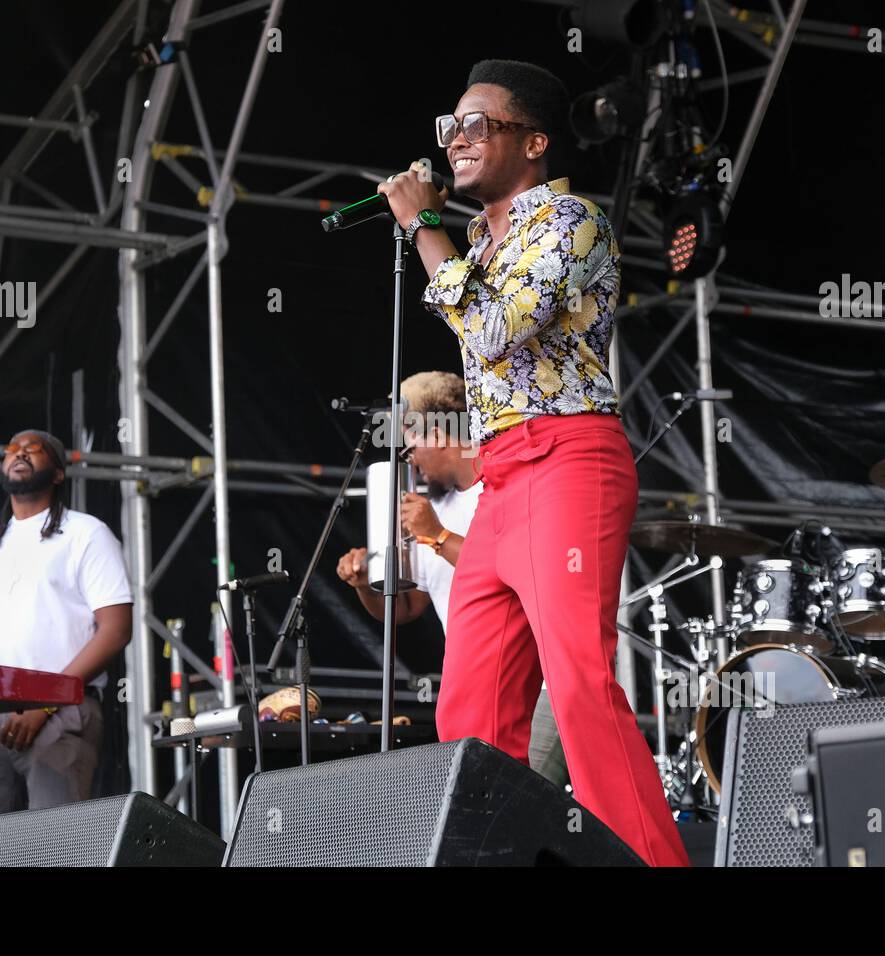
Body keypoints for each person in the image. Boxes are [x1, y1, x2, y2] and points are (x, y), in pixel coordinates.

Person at [376, 59, 688, 866]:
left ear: (535, 141)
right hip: (500, 479)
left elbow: (491, 330)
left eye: (479, 124)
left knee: (579, 687)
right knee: (469, 714)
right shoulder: (477, 237)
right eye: (451, 127)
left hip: (569, 460)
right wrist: (439, 230)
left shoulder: (572, 221)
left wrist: (421, 227)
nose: (458, 139)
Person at [336, 371, 568, 786]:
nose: (411, 462)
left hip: (541, 691)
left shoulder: (501, 489)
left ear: (441, 433)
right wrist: (363, 584)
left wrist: (437, 536)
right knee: (482, 807)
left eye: (410, 447)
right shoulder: (433, 508)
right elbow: (404, 609)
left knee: (516, 807)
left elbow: (516, 573)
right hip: (482, 689)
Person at [0, 430, 133, 837]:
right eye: (10, 449)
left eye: (32, 449)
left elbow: (116, 629)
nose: (19, 453)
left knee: (54, 848)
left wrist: (44, 703)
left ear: (58, 474)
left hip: (61, 711)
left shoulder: (85, 534)